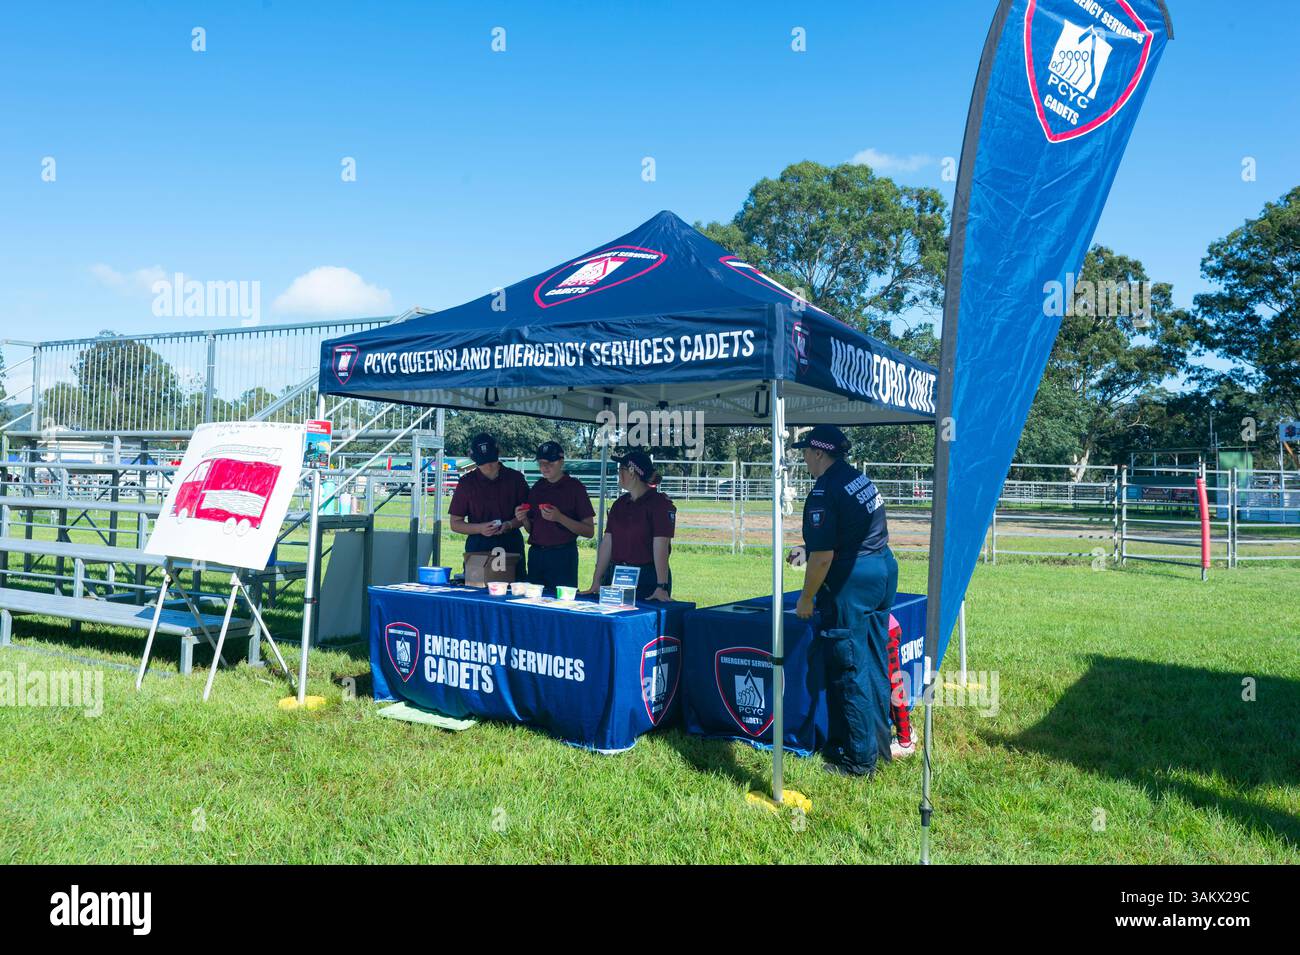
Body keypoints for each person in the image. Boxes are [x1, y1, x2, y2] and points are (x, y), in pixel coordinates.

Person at [786, 424, 897, 778]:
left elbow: (823, 559)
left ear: (819, 453)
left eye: (806, 450)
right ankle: (880, 745)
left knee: (849, 669)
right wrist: (811, 548)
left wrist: (806, 598)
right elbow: (848, 532)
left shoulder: (824, 490)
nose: (803, 457)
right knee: (875, 661)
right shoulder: (857, 480)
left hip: (853, 582)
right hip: (881, 568)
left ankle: (858, 761)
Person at [581, 450, 675, 602]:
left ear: (632, 472)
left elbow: (661, 547)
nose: (618, 473)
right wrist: (597, 580)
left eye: (621, 469)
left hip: (647, 579)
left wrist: (661, 586)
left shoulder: (659, 505)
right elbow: (607, 543)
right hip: (616, 575)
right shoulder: (620, 504)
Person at [515, 440, 595, 590]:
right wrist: (524, 518)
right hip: (537, 555)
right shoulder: (538, 488)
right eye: (541, 463)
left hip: (563, 556)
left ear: (561, 462)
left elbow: (589, 531)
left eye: (550, 463)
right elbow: (532, 530)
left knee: (562, 604)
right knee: (533, 603)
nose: (544, 467)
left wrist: (560, 518)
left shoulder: (575, 488)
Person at [448, 432, 529, 578]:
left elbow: (526, 516)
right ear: (474, 460)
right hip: (478, 546)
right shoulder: (467, 482)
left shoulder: (515, 479)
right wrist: (480, 529)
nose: (488, 466)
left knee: (514, 593)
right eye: (483, 462)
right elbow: (455, 523)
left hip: (511, 545)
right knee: (476, 592)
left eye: (491, 460)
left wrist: (509, 524)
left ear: (498, 454)